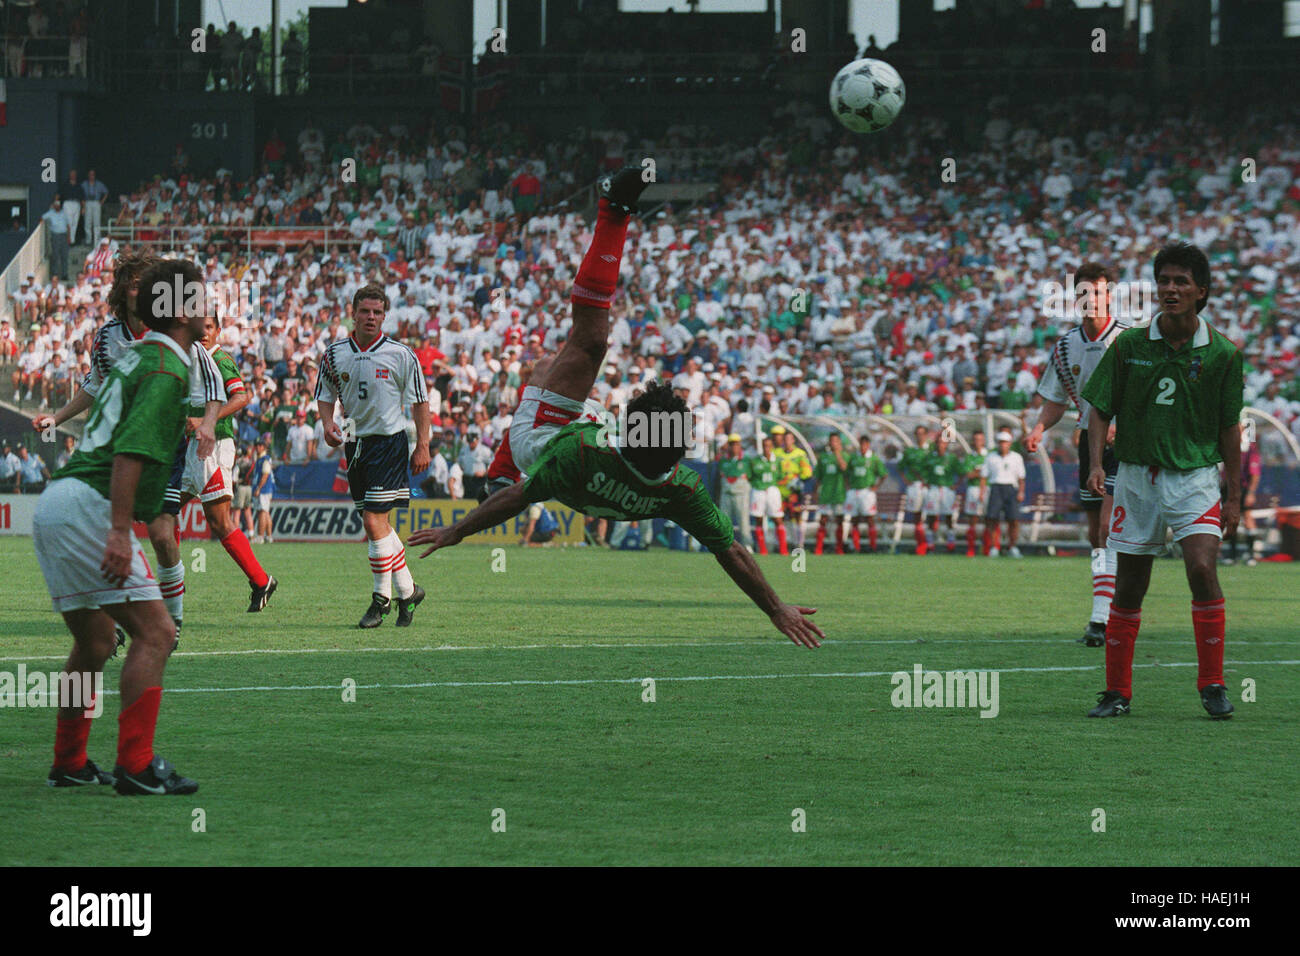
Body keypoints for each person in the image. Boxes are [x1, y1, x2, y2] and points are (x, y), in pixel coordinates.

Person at [408, 168, 823, 648]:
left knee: (590, 341)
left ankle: (613, 210)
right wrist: (776, 608)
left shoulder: (583, 453)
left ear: (627, 433)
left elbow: (519, 495)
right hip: (580, 435)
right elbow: (730, 550)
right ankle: (614, 216)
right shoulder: (683, 491)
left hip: (539, 438)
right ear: (677, 452)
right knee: (561, 359)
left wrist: (458, 530)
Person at [32, 258, 205, 795]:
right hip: (90, 504)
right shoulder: (165, 365)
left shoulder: (141, 356)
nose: (212, 307)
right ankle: (135, 763)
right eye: (201, 297)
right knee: (156, 632)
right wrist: (115, 530)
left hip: (58, 501)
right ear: (178, 309)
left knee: (97, 642)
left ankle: (70, 761)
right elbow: (130, 453)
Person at [1080, 242, 1242, 720]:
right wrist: (1096, 463)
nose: (1170, 289)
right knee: (1130, 585)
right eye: (1164, 281)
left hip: (1194, 478)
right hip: (1135, 478)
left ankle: (1212, 685)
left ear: (1201, 292)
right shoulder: (1129, 346)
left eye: (1181, 282)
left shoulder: (1222, 353)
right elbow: (1098, 409)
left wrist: (1234, 494)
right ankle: (1116, 692)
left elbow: (1229, 426)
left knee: (1201, 568)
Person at [32, 252, 223, 651]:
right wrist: (60, 416)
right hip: (117, 461)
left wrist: (207, 424)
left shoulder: (179, 350)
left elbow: (216, 390)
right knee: (144, 628)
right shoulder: (132, 349)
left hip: (119, 466)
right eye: (133, 284)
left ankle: (170, 620)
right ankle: (152, 625)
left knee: (159, 536)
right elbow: (98, 393)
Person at [1024, 263, 1128, 645]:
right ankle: (1109, 607)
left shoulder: (1128, 340)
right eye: (1084, 294)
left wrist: (1125, 422)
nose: (1091, 301)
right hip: (1089, 441)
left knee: (1106, 526)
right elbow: (1054, 399)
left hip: (1125, 444)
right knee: (1095, 534)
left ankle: (1102, 618)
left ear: (1109, 296)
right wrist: (1038, 429)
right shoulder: (1066, 345)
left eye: (1097, 293)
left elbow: (1145, 396)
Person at [317, 284, 431, 628]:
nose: (371, 317)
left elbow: (420, 402)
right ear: (353, 313)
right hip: (354, 443)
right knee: (381, 525)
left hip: (388, 443)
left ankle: (380, 601)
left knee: (372, 523)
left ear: (385, 315)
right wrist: (327, 423)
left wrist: (423, 444)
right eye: (365, 311)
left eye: (377, 312)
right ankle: (409, 591)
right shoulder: (334, 354)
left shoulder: (400, 353)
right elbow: (325, 393)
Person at [178, 315, 276, 612]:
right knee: (163, 510)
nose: (203, 333)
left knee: (220, 522)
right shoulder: (192, 358)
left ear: (218, 331)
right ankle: (170, 585)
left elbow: (241, 397)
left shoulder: (219, 359)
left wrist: (203, 420)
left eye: (209, 328)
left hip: (215, 447)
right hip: (190, 449)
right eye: (199, 328)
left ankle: (261, 580)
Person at [980, 430, 1025, 558]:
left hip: (1011, 488)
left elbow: (1021, 478)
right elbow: (984, 476)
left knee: (1014, 520)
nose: (1003, 445)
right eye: (1000, 442)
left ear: (1009, 443)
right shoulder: (991, 457)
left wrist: (1021, 492)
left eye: (1005, 442)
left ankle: (1013, 546)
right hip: (996, 488)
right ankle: (994, 546)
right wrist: (981, 492)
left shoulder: (1017, 457)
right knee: (992, 519)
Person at [921, 430, 964, 553]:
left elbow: (961, 472)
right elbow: (922, 470)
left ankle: (950, 543)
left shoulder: (951, 458)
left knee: (949, 515)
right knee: (931, 515)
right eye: (939, 442)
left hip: (947, 489)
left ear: (946, 444)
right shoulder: (929, 457)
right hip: (933, 488)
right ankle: (930, 543)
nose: (941, 445)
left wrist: (956, 485)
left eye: (943, 442)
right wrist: (925, 481)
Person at [845, 435, 887, 554]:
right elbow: (847, 474)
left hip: (867, 492)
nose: (863, 447)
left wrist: (876, 487)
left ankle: (872, 546)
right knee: (854, 519)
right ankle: (855, 546)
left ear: (868, 445)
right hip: (854, 491)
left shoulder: (874, 459)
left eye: (865, 444)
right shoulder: (853, 458)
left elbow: (883, 474)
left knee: (870, 519)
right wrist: (848, 486)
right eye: (861, 444)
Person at [772, 426, 812, 550]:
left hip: (795, 491)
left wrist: (797, 479)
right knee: (780, 518)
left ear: (793, 440)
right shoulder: (776, 454)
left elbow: (807, 471)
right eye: (785, 439)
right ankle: (782, 544)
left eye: (790, 439)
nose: (787, 441)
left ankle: (799, 543)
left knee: (797, 515)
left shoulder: (800, 454)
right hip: (780, 491)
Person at [747, 434, 785, 555]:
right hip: (758, 491)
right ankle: (763, 550)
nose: (766, 449)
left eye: (768, 446)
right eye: (764, 446)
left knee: (777, 518)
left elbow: (781, 477)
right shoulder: (755, 461)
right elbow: (750, 477)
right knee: (759, 519)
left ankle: (783, 549)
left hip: (772, 491)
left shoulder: (778, 461)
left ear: (772, 447)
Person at [812, 433, 849, 555]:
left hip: (839, 494)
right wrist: (815, 492)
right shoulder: (823, 457)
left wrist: (838, 454)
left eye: (836, 441)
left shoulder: (845, 456)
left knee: (839, 520)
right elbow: (818, 477)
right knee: (823, 520)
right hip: (826, 494)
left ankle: (839, 548)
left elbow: (844, 469)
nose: (833, 443)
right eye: (831, 441)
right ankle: (818, 548)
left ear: (839, 443)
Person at [718, 433, 752, 553]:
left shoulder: (746, 460)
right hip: (726, 493)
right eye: (731, 444)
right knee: (725, 522)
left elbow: (750, 477)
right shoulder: (723, 460)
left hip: (741, 494)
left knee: (743, 521)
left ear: (740, 445)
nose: (734, 447)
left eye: (736, 444)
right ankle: (724, 546)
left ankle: (747, 545)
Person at [900, 425, 931, 554]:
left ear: (926, 435)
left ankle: (930, 543)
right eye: (918, 433)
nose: (920, 436)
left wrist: (945, 420)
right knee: (916, 514)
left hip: (929, 486)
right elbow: (901, 466)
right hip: (914, 486)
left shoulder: (931, 450)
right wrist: (905, 479)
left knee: (931, 515)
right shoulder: (910, 451)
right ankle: (921, 545)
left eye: (922, 433)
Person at [961, 430, 988, 556]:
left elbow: (990, 473)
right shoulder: (970, 456)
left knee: (990, 518)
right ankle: (971, 548)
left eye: (980, 439)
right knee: (973, 519)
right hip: (973, 490)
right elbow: (968, 474)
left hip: (987, 489)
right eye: (976, 439)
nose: (978, 442)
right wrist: (981, 472)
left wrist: (978, 472)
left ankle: (988, 548)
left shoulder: (989, 455)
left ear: (984, 441)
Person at [252, 437, 275, 544]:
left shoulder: (265, 459)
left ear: (264, 447)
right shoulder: (261, 458)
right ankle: (269, 536)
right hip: (265, 489)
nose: (257, 447)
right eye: (257, 445)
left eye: (260, 445)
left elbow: (265, 475)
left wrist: (258, 488)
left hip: (264, 489)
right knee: (265, 512)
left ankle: (260, 536)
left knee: (262, 512)